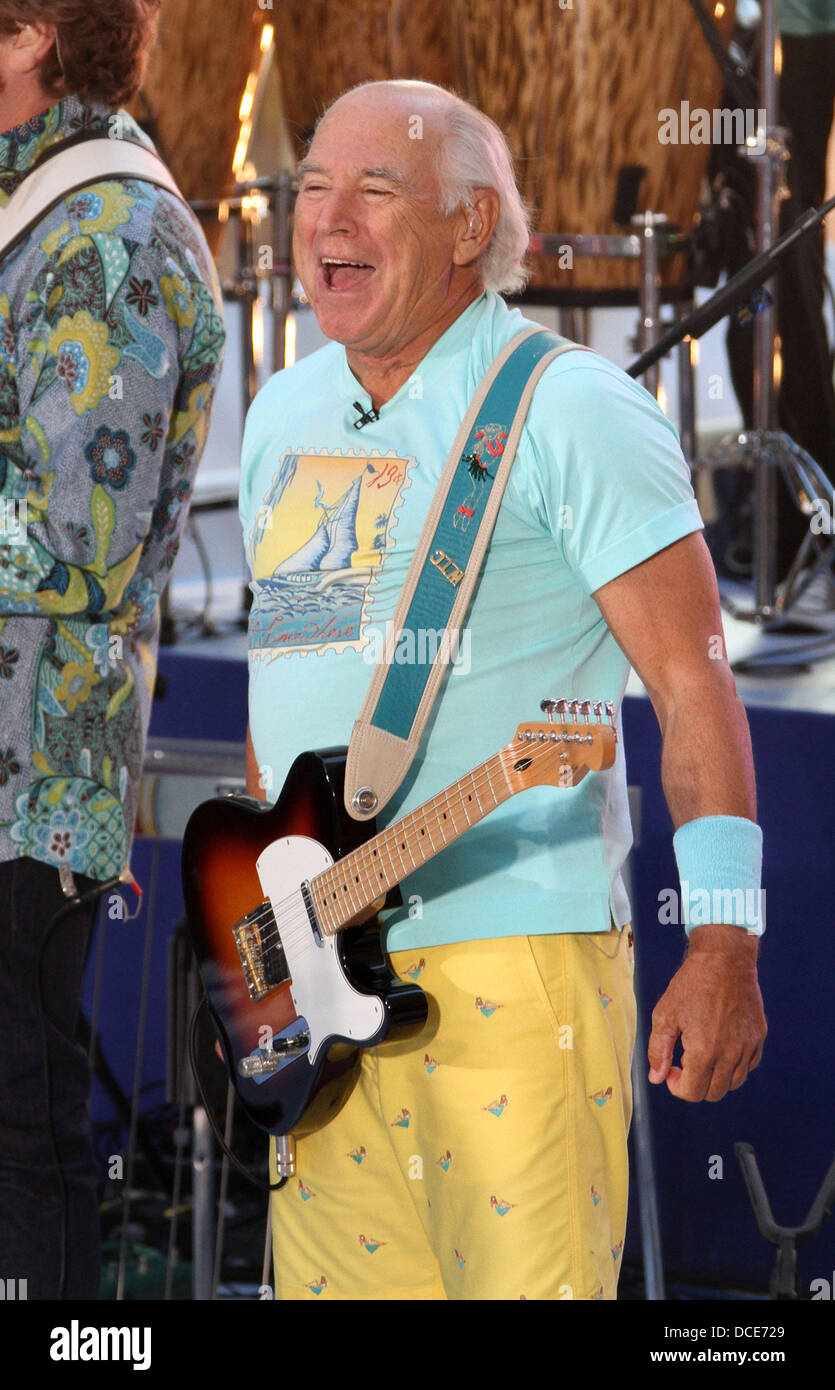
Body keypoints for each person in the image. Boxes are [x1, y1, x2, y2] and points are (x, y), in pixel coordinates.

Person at [239, 79, 766, 1301]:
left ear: (471, 228)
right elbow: (298, 691)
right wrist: (262, 935)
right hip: (317, 991)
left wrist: (725, 938)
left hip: (517, 965)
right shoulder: (284, 413)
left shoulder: (573, 409)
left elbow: (693, 687)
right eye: (314, 187)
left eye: (376, 190)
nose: (328, 220)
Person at [0, 2, 225, 1299]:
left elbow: (81, 544)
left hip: (32, 780)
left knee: (20, 1139)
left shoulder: (110, 233)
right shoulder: (41, 207)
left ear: (32, 33)